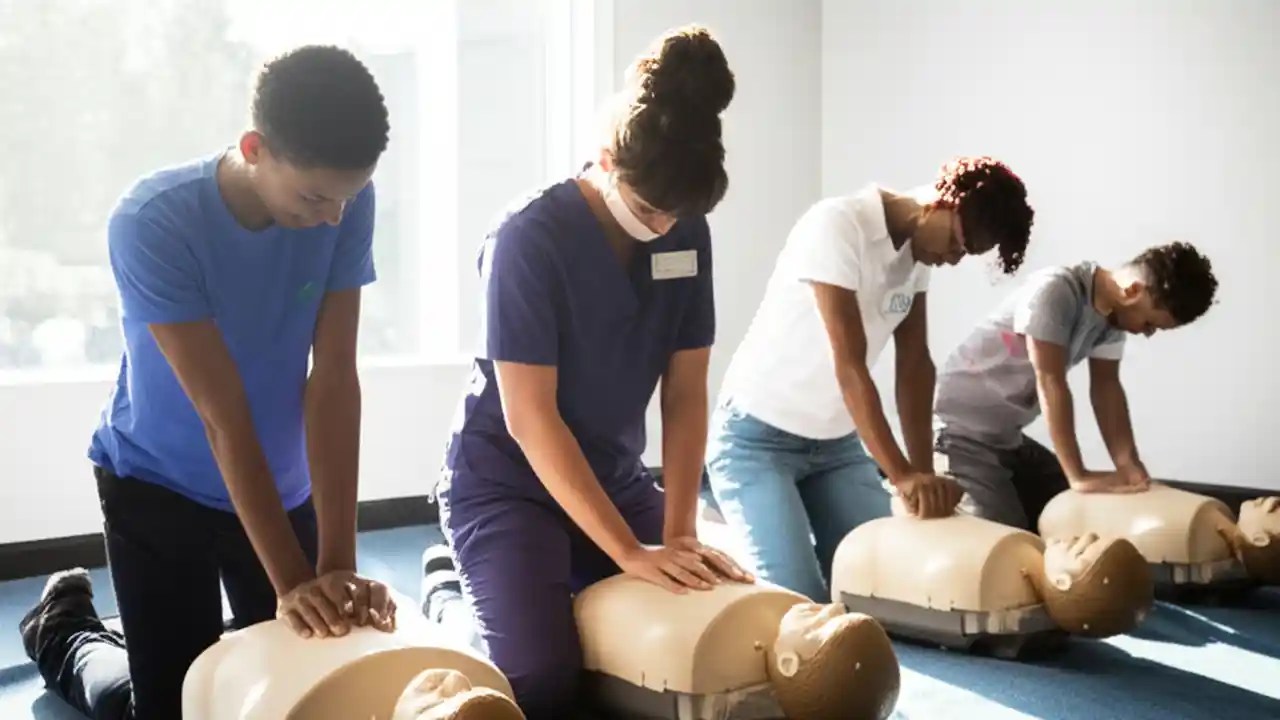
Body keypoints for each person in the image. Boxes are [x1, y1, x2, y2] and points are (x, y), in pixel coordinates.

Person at [19, 45, 397, 720]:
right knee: (173, 708)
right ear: (254, 147)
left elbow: (335, 377)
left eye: (348, 197)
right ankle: (66, 631)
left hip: (281, 485)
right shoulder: (152, 221)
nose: (334, 218)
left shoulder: (343, 203)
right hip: (157, 485)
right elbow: (222, 413)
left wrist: (335, 561)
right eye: (316, 196)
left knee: (305, 694)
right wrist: (292, 582)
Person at [425, 26, 752, 720]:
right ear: (605, 160)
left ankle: (554, 580)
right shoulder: (528, 239)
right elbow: (530, 416)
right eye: (649, 207)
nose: (664, 226)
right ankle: (449, 598)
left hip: (614, 476)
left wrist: (681, 528)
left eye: (678, 213)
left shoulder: (686, 229)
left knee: (726, 612)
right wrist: (631, 551)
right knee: (540, 684)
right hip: (507, 484)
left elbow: (687, 394)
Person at [705, 157, 1036, 601]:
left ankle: (779, 523)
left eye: (966, 255)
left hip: (836, 449)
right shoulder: (838, 225)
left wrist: (923, 473)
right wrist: (901, 476)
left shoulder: (918, 257)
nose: (954, 260)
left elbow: (915, 366)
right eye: (960, 245)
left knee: (872, 588)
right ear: (942, 202)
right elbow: (850, 364)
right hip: (755, 442)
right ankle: (717, 529)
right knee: (800, 603)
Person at [934, 242, 1219, 530]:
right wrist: (1078, 475)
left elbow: (1107, 389)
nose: (1145, 333)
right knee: (1008, 533)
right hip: (957, 432)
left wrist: (1129, 466)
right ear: (1133, 291)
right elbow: (1050, 380)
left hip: (1007, 439)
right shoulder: (1056, 290)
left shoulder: (1111, 321)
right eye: (1149, 324)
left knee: (1076, 514)